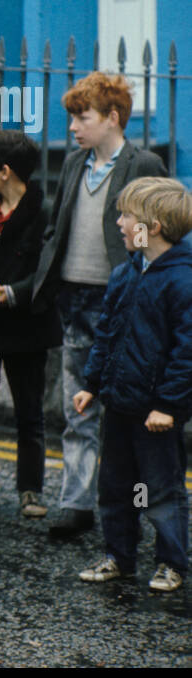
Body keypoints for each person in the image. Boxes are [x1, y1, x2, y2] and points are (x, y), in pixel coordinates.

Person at [29, 72, 167, 541]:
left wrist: (141, 282)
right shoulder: (73, 164)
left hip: (121, 300)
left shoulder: (143, 162)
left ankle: (135, 509)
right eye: (70, 117)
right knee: (78, 406)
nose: (72, 126)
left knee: (128, 410)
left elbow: (157, 231)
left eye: (81, 117)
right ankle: (76, 503)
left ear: (112, 117)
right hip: (74, 296)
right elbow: (56, 226)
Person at [74, 177, 192, 592]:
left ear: (154, 226)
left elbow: (187, 352)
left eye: (127, 215)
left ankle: (172, 562)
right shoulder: (124, 274)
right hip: (119, 403)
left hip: (156, 413)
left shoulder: (182, 280)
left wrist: (169, 405)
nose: (120, 222)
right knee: (115, 487)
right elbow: (106, 334)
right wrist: (91, 382)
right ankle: (119, 556)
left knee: (161, 490)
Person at [0, 130, 60, 520]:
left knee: (29, 413)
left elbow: (48, 270)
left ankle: (30, 490)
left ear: (5, 172)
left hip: (27, 330)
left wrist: (10, 294)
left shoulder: (43, 211)